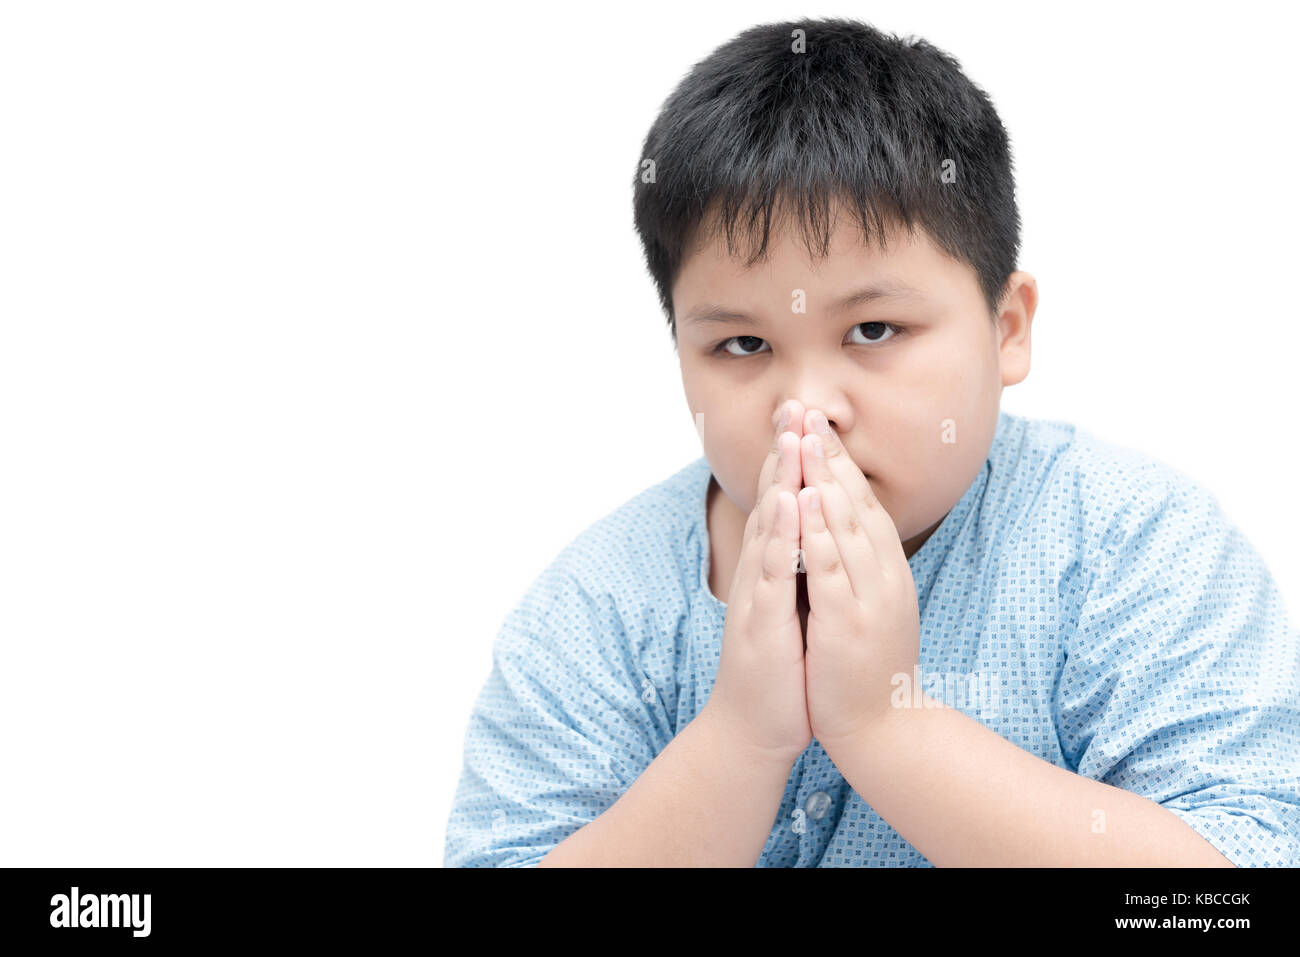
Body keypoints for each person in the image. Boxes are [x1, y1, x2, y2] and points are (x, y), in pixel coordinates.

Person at [443, 17, 1300, 867]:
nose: (806, 412)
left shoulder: (1133, 547)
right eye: (742, 345)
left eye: (876, 329)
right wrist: (739, 740)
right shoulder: (602, 607)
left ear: (1007, 327)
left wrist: (890, 729)